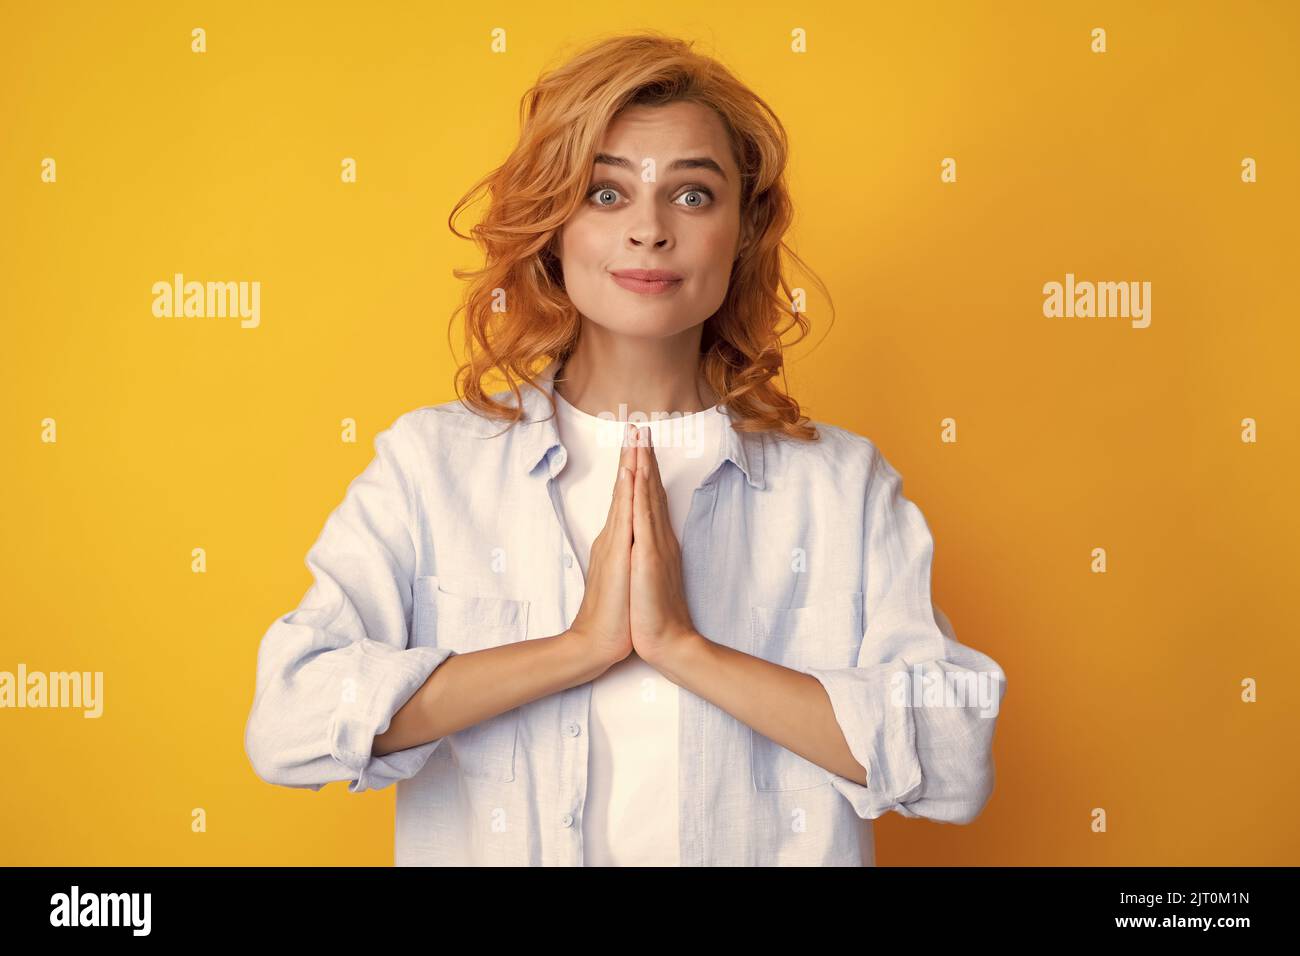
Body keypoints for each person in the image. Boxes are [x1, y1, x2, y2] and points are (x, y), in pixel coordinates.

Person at [242, 31, 1007, 866]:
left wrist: (684, 647)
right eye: (606, 195)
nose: (648, 230)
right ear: (553, 227)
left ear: (742, 231)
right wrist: (576, 650)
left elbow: (953, 754)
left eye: (692, 195)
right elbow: (286, 724)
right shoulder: (431, 467)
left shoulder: (839, 486)